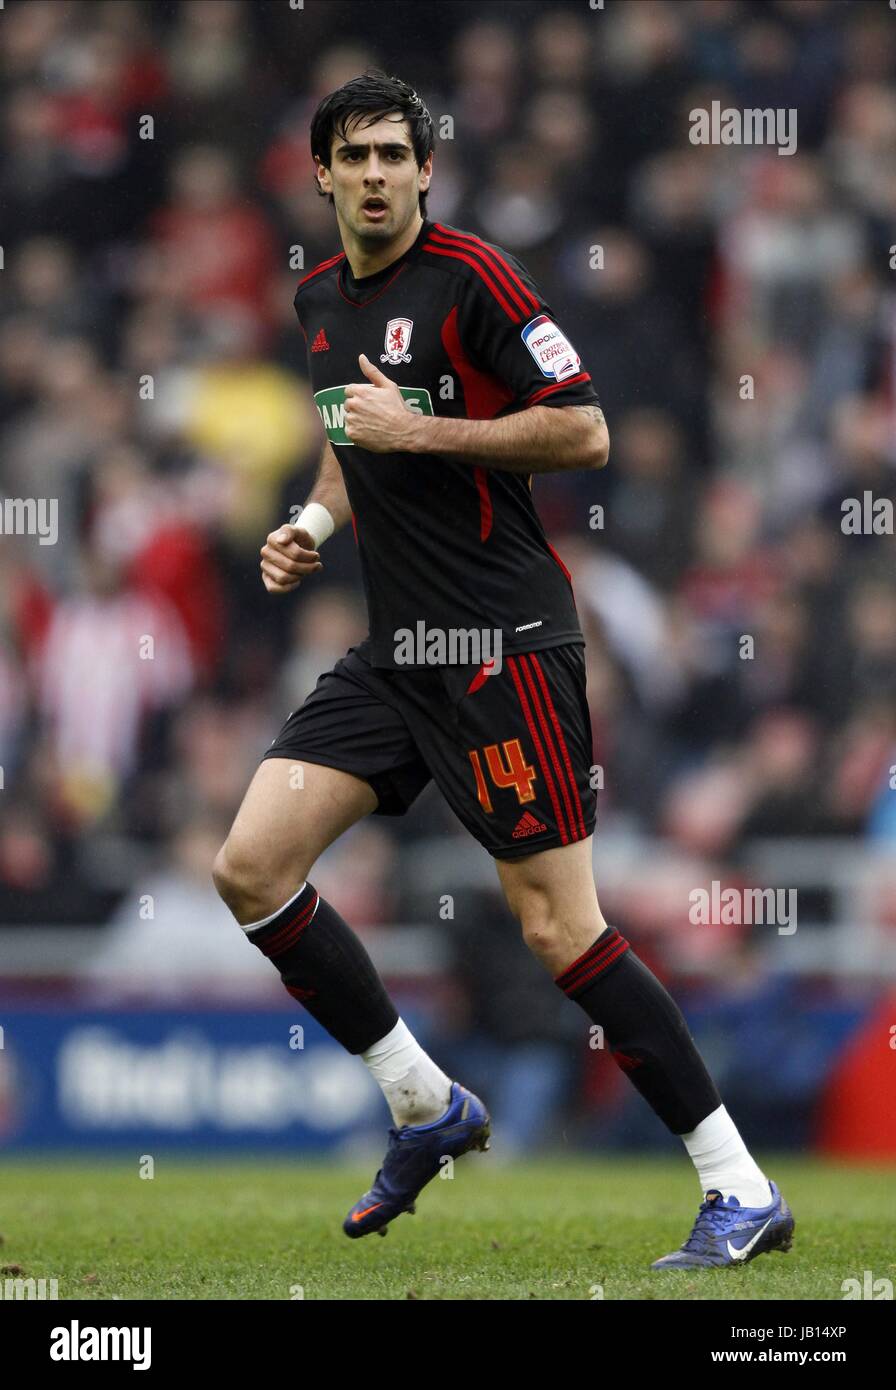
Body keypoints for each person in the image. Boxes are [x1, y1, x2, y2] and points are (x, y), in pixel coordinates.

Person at [213, 70, 794, 1267]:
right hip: (395, 650)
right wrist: (314, 526)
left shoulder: (474, 280)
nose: (375, 173)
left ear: (427, 169)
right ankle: (425, 1103)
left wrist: (420, 429)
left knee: (557, 927)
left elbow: (583, 427)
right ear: (319, 173)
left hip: (503, 643)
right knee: (249, 866)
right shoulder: (317, 296)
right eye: (353, 155)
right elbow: (345, 439)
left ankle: (739, 1187)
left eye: (394, 154)